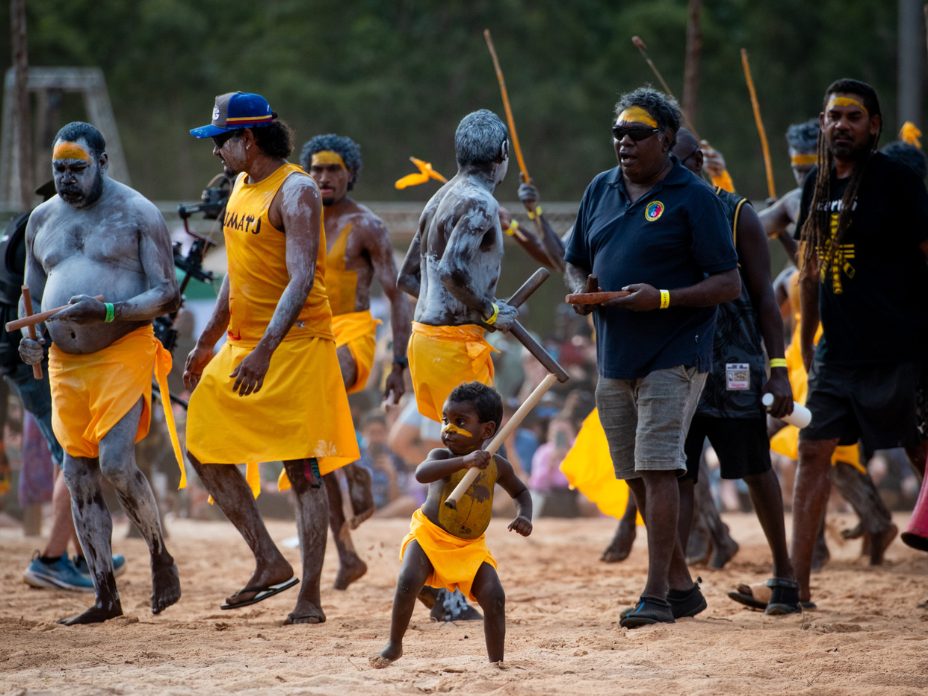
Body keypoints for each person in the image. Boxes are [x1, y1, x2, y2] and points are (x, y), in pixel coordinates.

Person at [564, 88, 740, 628]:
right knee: (636, 476)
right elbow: (573, 260)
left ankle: (657, 595)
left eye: (636, 133)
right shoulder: (600, 189)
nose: (623, 142)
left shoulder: (695, 196)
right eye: (617, 132)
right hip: (614, 354)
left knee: (660, 468)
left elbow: (728, 283)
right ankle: (684, 586)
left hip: (676, 353)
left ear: (665, 139)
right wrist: (584, 290)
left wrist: (662, 298)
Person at [185, 92, 359, 624]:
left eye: (221, 141)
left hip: (298, 346)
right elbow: (237, 274)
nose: (216, 152)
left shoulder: (297, 190)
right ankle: (268, 560)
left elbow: (302, 277)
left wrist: (264, 350)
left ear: (249, 139)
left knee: (303, 470)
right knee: (202, 443)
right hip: (243, 343)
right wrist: (208, 339)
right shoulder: (240, 185)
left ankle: (309, 598)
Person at [20, 122, 184, 625]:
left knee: (115, 463)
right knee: (76, 473)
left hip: (122, 348)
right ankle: (104, 595)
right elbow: (30, 295)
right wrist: (31, 340)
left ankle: (159, 553)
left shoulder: (138, 212)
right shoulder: (40, 220)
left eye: (78, 168)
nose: (67, 178)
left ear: (103, 163)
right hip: (64, 364)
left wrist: (109, 312)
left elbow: (167, 294)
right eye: (59, 169)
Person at [792, 79, 928, 607]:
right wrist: (804, 343)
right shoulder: (814, 185)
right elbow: (808, 273)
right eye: (833, 116)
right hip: (836, 354)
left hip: (902, 349)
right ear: (822, 123)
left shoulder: (898, 182)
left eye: (853, 116)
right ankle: (796, 588)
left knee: (923, 458)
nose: (841, 125)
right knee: (812, 453)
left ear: (874, 125)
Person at [657, 129, 801, 614]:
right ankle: (673, 587)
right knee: (677, 475)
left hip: (735, 368)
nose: (667, 172)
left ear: (697, 160)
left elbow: (765, 296)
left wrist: (778, 369)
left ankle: (786, 578)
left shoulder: (737, 214)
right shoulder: (656, 210)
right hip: (677, 367)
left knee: (757, 469)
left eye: (674, 161)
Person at [300, 133, 412, 590]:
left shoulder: (367, 225)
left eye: (334, 170)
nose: (325, 178)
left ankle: (354, 468)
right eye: (317, 170)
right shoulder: (296, 220)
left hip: (352, 334)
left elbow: (398, 295)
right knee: (313, 452)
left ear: (350, 174)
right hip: (305, 336)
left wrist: (399, 363)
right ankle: (347, 553)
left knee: (320, 391)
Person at [8, 182, 125, 592]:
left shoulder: (36, 229)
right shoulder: (41, 230)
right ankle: (54, 559)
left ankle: (84, 554)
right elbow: (32, 303)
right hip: (33, 359)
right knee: (74, 459)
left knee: (76, 458)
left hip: (33, 358)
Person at [369, 382, 532, 668]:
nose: (448, 429)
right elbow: (422, 473)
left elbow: (521, 492)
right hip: (430, 536)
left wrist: (524, 515)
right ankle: (394, 645)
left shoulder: (498, 466)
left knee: (494, 595)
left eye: (460, 422)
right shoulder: (441, 457)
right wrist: (464, 462)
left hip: (470, 547)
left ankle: (497, 662)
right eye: (445, 420)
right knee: (408, 581)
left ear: (487, 430)